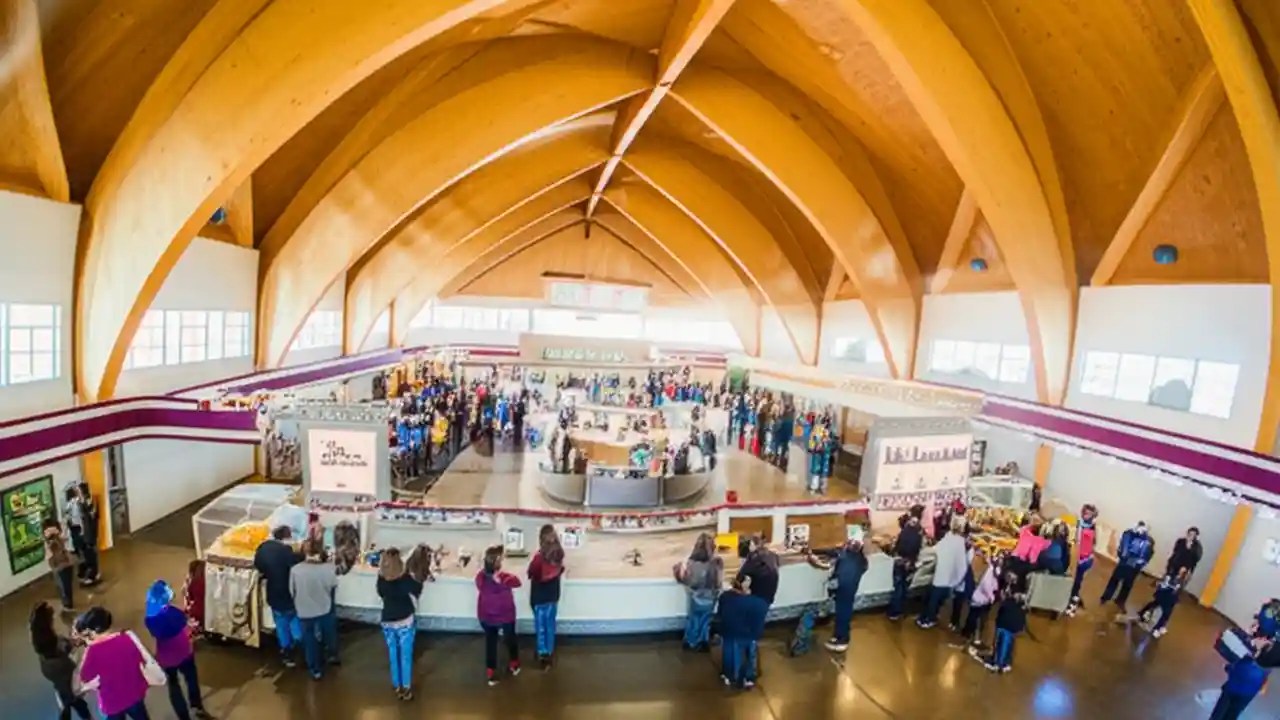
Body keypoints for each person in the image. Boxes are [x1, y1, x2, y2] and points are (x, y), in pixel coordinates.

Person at [143, 580, 208, 719]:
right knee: (191, 678)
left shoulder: (150, 619)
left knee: (174, 686)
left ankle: (183, 716)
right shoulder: (173, 614)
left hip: (166, 657)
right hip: (184, 652)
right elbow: (187, 625)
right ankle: (196, 705)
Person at [76, 606, 154, 719]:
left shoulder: (93, 651)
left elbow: (85, 676)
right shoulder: (126, 639)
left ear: (93, 631)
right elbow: (140, 659)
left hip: (112, 702)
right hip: (133, 694)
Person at [30, 601, 92, 719]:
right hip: (63, 671)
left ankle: (66, 705)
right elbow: (67, 648)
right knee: (75, 700)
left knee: (65, 696)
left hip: (50, 670)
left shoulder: (38, 637)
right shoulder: (55, 644)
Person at [376, 547, 424, 700]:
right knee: (405, 655)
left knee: (393, 653)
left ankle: (397, 685)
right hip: (405, 620)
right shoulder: (404, 579)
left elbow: (381, 593)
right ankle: (406, 687)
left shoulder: (381, 580)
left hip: (387, 620)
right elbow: (418, 588)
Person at [806, 536, 868, 652]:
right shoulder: (861, 560)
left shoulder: (846, 559)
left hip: (843, 590)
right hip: (850, 589)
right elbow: (833, 552)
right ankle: (840, 636)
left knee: (842, 615)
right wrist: (814, 550)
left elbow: (830, 564)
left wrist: (813, 556)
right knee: (844, 613)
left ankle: (841, 640)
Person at [253, 525, 304, 667]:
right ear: (286, 537)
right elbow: (297, 564)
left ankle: (286, 652)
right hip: (289, 595)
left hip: (273, 594)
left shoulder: (262, 548)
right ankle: (300, 647)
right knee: (294, 620)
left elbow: (258, 566)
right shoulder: (286, 551)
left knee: (281, 624)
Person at [289, 538, 340, 680]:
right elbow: (333, 586)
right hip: (324, 607)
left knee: (309, 639)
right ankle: (331, 655)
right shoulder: (328, 568)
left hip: (304, 610)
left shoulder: (295, 570)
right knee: (328, 633)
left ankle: (315, 669)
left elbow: (292, 591)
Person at [476, 546, 522, 686]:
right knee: (511, 640)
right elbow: (518, 582)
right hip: (505, 616)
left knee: (491, 643)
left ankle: (491, 672)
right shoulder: (505, 578)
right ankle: (514, 664)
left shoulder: (480, 578)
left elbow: (480, 585)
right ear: (497, 563)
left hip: (486, 616)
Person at [917, 518, 970, 630]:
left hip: (938, 574)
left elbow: (936, 549)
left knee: (931, 597)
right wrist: (957, 581)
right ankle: (929, 619)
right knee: (936, 600)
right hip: (947, 579)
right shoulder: (959, 542)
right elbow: (961, 565)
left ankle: (923, 618)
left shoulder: (948, 537)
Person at [675, 533, 724, 652]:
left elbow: (687, 580)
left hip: (694, 596)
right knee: (706, 620)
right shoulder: (716, 563)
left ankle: (690, 641)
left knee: (693, 619)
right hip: (710, 597)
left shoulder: (691, 563)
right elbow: (718, 583)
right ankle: (703, 642)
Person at [717, 578, 769, 690]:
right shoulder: (759, 603)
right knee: (750, 655)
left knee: (730, 654)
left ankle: (730, 676)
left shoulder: (725, 597)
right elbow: (759, 621)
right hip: (749, 634)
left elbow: (720, 615)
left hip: (730, 632)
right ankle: (749, 678)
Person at [527, 525, 565, 669]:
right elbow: (560, 570)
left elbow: (532, 573)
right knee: (550, 625)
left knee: (540, 626)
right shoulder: (559, 554)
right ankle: (549, 651)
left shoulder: (538, 558)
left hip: (539, 595)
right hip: (553, 594)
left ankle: (542, 654)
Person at [1100, 521, 1154, 615]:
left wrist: (1141, 563)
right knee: (1114, 580)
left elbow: (1149, 554)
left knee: (1127, 585)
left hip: (1134, 567)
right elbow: (1122, 546)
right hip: (1124, 563)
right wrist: (1122, 555)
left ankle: (1120, 601)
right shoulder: (1129, 534)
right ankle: (1105, 597)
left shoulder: (1149, 541)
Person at [983, 575, 1028, 673]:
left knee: (1000, 642)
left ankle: (997, 663)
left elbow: (1004, 606)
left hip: (1005, 623)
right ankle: (1006, 663)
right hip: (1015, 625)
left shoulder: (1009, 598)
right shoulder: (1021, 595)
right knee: (1009, 643)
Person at [1209, 651, 1271, 719]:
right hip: (1248, 692)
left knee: (1220, 711)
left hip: (1234, 688)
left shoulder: (1248, 658)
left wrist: (1227, 667)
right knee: (1233, 713)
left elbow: (1236, 671)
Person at [887, 513, 924, 620]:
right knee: (904, 587)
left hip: (899, 562)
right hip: (909, 564)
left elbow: (897, 547)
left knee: (898, 587)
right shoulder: (918, 535)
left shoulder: (904, 532)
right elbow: (917, 551)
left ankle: (894, 612)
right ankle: (901, 610)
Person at [962, 552, 1002, 648]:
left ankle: (970, 633)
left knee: (976, 615)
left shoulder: (991, 569)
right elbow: (986, 585)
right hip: (981, 598)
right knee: (976, 616)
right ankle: (970, 634)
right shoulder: (990, 570)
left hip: (982, 598)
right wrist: (991, 597)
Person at [64, 485, 100, 586]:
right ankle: (84, 572)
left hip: (88, 532)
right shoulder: (73, 503)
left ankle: (93, 574)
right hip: (78, 530)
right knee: (82, 553)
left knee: (90, 554)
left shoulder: (88, 502)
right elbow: (68, 517)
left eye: (79, 491)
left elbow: (90, 514)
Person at [1066, 504, 1098, 616]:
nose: (1086, 515)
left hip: (1086, 558)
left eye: (1089, 513)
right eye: (1085, 512)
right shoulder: (1078, 524)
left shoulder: (1093, 527)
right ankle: (1069, 599)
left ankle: (1073, 598)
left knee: (1078, 580)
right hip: (1076, 555)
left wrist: (1091, 555)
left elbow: (1094, 542)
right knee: (1071, 577)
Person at [1136, 568, 1187, 638]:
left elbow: (1178, 590)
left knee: (1165, 611)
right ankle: (1155, 626)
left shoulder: (1181, 580)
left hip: (1170, 597)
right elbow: (1164, 584)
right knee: (1161, 608)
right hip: (1164, 595)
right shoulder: (1171, 575)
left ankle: (1157, 626)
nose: (1183, 571)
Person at [736, 534, 780, 606]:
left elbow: (740, 577)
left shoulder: (753, 557)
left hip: (758, 598)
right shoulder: (774, 555)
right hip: (770, 596)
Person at [43, 517, 75, 611]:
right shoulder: (57, 538)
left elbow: (50, 555)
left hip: (60, 565)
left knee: (63, 585)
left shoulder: (51, 540)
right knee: (67, 585)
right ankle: (68, 603)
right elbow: (64, 538)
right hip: (66, 563)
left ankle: (67, 604)